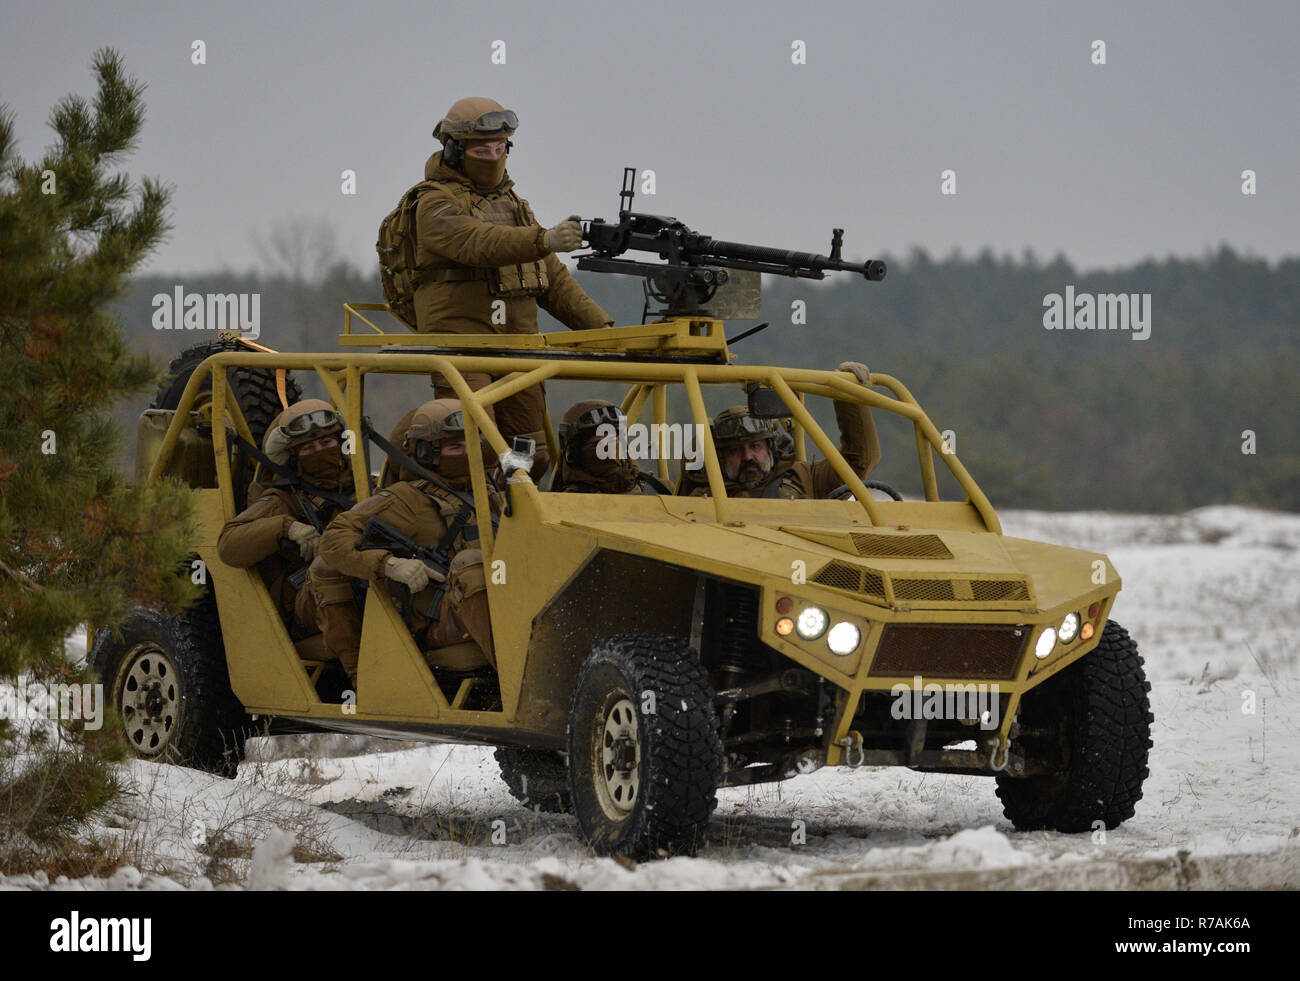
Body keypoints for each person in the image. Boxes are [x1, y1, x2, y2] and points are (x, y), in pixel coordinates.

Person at [413, 97, 616, 477]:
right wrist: (546, 238)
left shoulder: (514, 205)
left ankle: (510, 516)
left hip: (518, 347)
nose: (492, 157)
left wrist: (603, 331)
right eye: (480, 149)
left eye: (499, 148)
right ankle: (467, 520)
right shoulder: (434, 203)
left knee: (531, 456)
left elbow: (551, 278)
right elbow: (479, 242)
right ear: (454, 149)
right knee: (475, 448)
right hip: (463, 347)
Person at [310, 399, 496, 682]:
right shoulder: (405, 499)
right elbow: (334, 539)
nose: (468, 453)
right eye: (455, 447)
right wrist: (390, 564)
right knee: (470, 564)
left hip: (498, 604)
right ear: (426, 453)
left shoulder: (489, 490)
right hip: (440, 618)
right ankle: (522, 680)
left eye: (472, 443)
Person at [217, 399, 356, 641]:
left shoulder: (363, 487)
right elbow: (228, 544)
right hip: (308, 606)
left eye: (326, 442)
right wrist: (287, 527)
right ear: (294, 458)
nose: (320, 452)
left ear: (340, 443)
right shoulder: (282, 499)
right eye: (308, 449)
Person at [689, 361, 881, 500]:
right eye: (735, 451)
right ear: (721, 458)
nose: (747, 457)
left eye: (755, 446)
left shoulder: (804, 478)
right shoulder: (700, 498)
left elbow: (859, 462)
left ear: (771, 448)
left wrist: (849, 396)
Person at [551, 399, 665, 494]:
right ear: (574, 454)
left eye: (613, 438)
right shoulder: (559, 504)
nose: (607, 446)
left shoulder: (659, 490)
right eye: (597, 443)